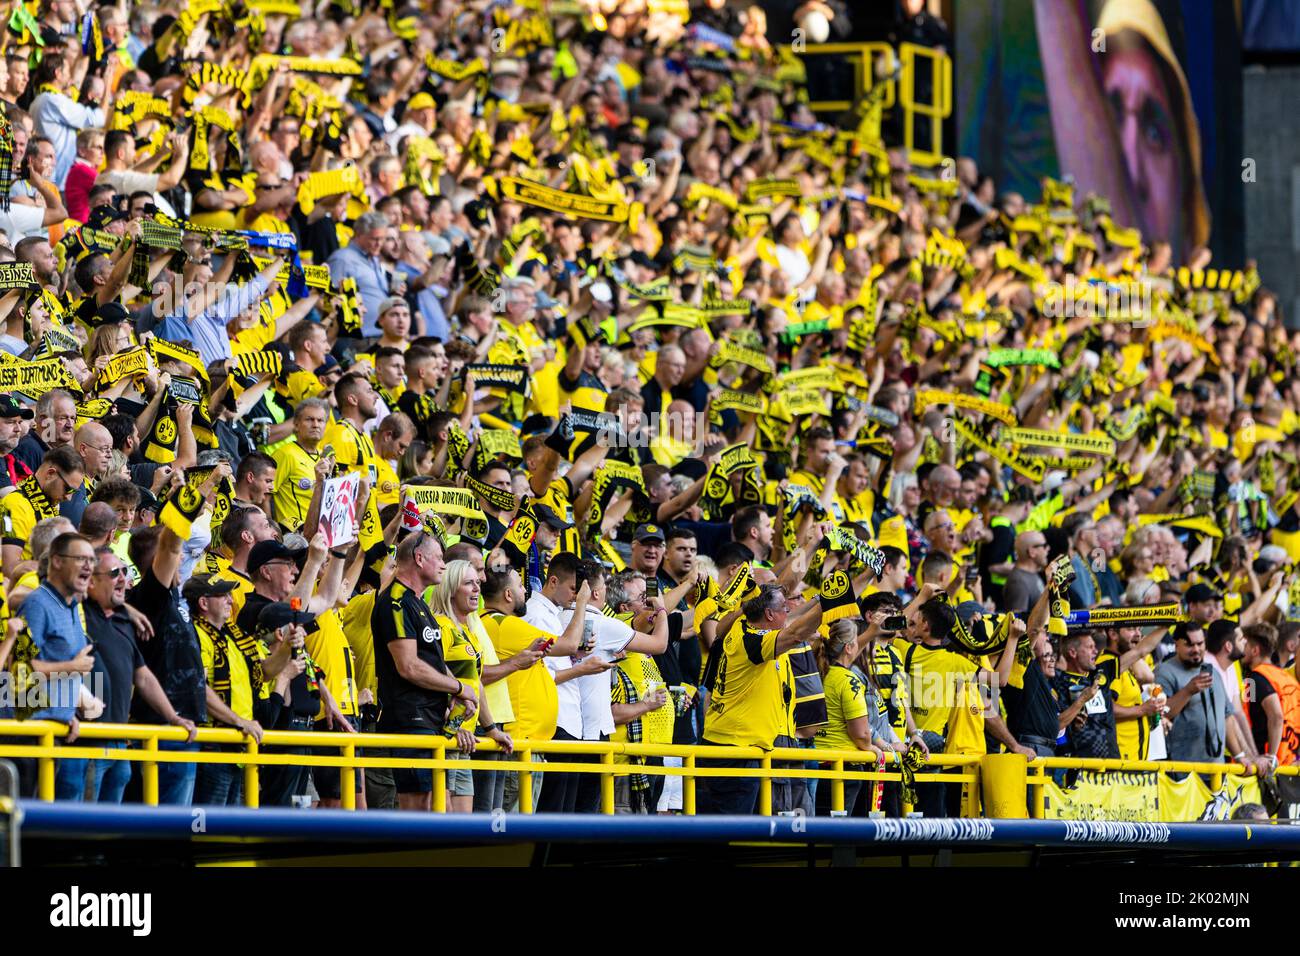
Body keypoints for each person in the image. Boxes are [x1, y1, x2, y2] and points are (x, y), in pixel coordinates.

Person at [371, 529, 478, 811]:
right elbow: (408, 666)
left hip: (430, 717)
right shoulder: (395, 601)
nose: (444, 564)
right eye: (439, 557)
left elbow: (433, 660)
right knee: (420, 807)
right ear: (419, 558)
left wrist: (457, 694)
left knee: (440, 805)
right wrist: (457, 687)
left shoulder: (418, 602)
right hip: (409, 718)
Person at [697, 584, 824, 815]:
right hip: (736, 750)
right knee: (734, 832)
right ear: (769, 614)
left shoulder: (741, 624)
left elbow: (793, 623)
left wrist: (818, 601)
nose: (789, 613)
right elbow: (796, 633)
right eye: (784, 608)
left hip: (732, 745)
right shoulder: (753, 640)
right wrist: (829, 605)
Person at [84, 545, 195, 803]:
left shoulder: (123, 620)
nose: (123, 578)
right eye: (114, 573)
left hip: (119, 742)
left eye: (124, 571)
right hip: (88, 743)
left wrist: (173, 717)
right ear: (89, 582)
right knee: (81, 829)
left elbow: (143, 676)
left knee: (110, 830)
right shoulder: (79, 614)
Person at [1154, 622, 1228, 765]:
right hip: (1182, 769)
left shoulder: (1214, 672)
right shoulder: (1163, 671)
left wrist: (1241, 755)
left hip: (1216, 767)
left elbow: (1228, 717)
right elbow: (1158, 714)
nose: (1196, 649)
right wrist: (1188, 691)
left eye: (1200, 644)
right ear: (1176, 645)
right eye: (1189, 644)